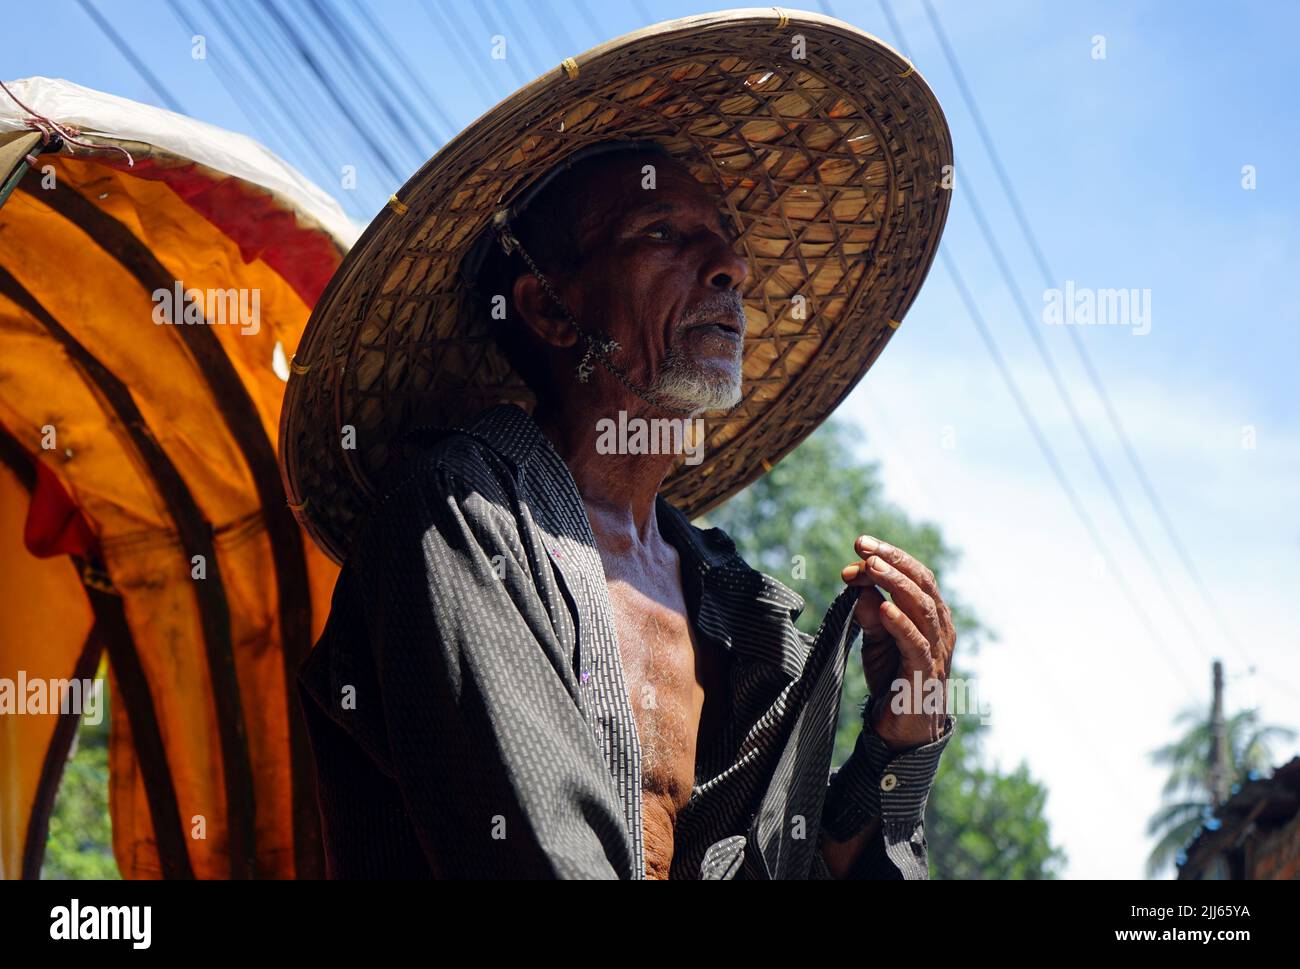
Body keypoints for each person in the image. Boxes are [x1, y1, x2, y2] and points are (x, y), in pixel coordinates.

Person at [280, 10, 958, 879]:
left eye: (729, 245)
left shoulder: (736, 608)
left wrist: (903, 738)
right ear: (546, 309)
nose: (731, 271)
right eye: (666, 236)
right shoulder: (462, 519)